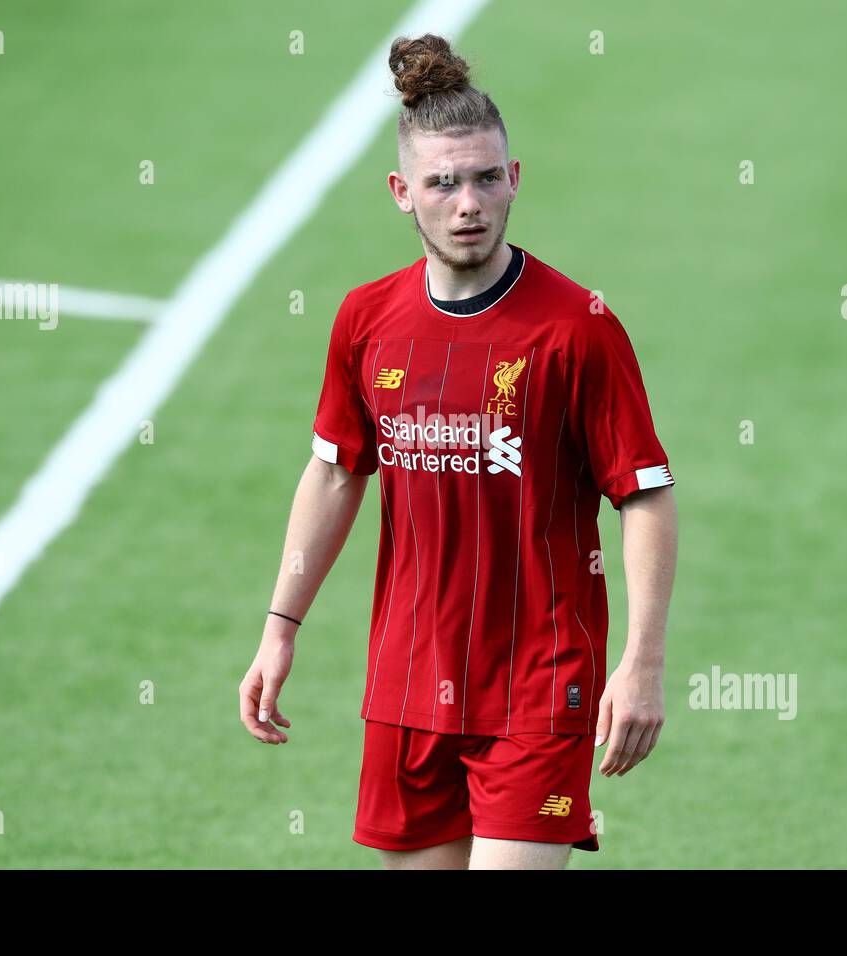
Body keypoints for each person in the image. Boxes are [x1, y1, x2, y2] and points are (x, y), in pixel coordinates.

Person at [239, 33, 679, 870]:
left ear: (514, 178)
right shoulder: (366, 319)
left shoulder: (577, 329)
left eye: (484, 178)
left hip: (540, 685)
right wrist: (279, 629)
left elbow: (644, 494)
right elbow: (335, 473)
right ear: (404, 193)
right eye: (444, 183)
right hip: (406, 684)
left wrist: (643, 661)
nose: (468, 202)